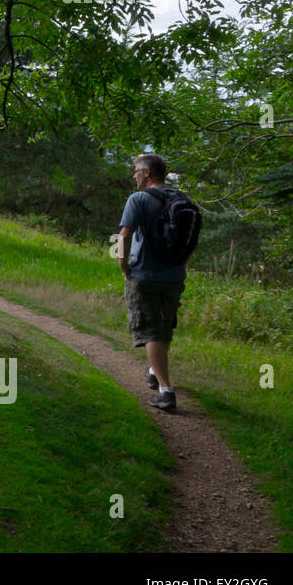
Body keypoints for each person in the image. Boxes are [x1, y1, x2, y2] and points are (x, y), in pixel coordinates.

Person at [118, 153, 189, 412]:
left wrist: (123, 264)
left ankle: (166, 391)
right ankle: (153, 371)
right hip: (175, 276)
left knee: (150, 331)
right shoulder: (182, 199)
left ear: (147, 173)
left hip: (145, 276)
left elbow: (124, 236)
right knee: (165, 327)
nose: (134, 175)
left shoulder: (138, 199)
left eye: (136, 171)